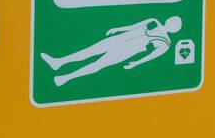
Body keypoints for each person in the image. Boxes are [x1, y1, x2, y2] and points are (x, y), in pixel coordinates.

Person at [40, 16, 182, 86]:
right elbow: (133, 26)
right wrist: (117, 29)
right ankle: (58, 62)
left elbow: (151, 56)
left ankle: (65, 78)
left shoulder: (165, 43)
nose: (171, 22)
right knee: (88, 51)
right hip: (119, 39)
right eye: (172, 20)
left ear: (175, 29)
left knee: (98, 64)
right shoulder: (153, 21)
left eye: (175, 23)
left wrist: (136, 64)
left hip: (127, 51)